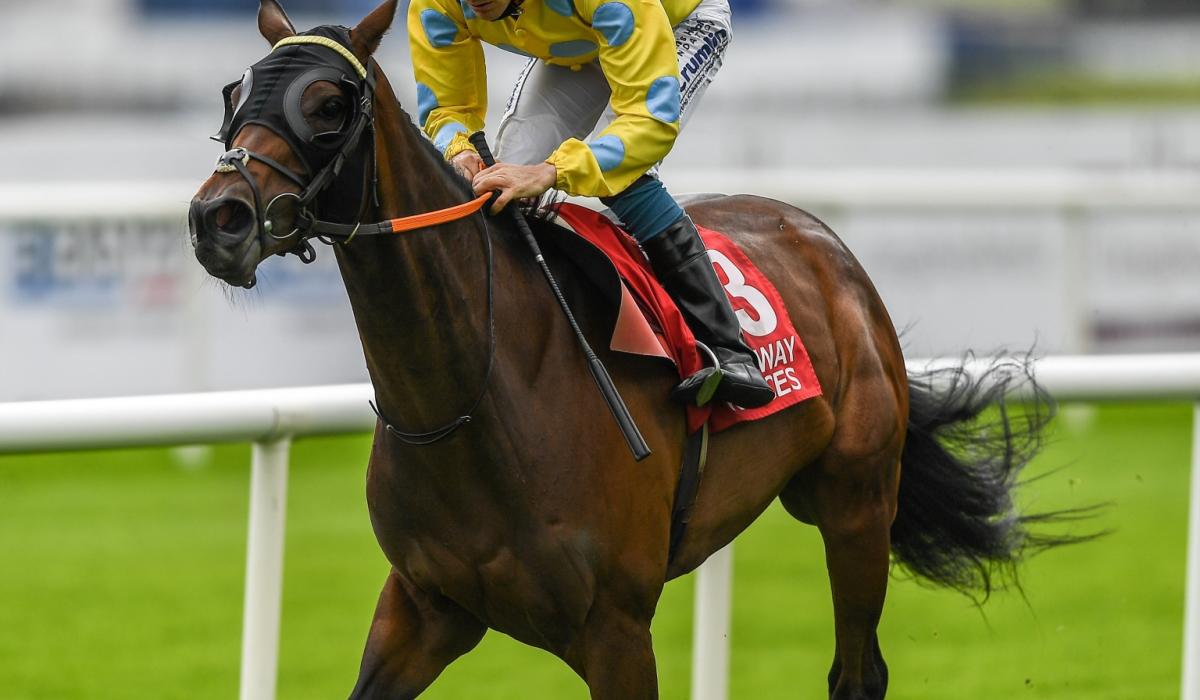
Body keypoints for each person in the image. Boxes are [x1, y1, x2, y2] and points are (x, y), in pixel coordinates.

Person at [408, 0, 774, 408]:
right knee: (504, 187)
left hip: (676, 21)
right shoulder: (436, 4)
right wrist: (458, 151)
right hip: (584, 38)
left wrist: (549, 172)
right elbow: (445, 106)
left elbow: (648, 124)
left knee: (621, 177)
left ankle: (729, 351)